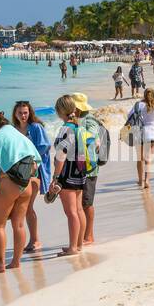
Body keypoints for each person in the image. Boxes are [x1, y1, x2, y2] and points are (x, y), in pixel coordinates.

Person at [0, 112, 40, 273]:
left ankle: (0, 264)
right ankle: (16, 262)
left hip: (8, 184)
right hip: (26, 184)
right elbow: (35, 166)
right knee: (19, 224)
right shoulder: (21, 136)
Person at [48, 95, 89, 256]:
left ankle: (73, 247)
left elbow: (61, 155)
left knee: (71, 212)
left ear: (60, 111)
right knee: (78, 210)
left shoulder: (65, 128)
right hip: (80, 171)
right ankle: (78, 245)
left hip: (68, 173)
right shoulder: (79, 127)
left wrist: (55, 177)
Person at [12, 100, 51, 254]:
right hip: (18, 172)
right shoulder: (13, 130)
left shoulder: (36, 127)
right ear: (15, 114)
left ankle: (35, 240)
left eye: (26, 112)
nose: (23, 115)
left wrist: (33, 161)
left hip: (34, 171)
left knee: (27, 206)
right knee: (21, 207)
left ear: (30, 113)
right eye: (20, 113)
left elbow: (45, 146)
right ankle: (27, 240)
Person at [71, 93, 110, 245]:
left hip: (89, 168)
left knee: (87, 203)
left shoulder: (89, 121)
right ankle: (84, 235)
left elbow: (92, 140)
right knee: (82, 203)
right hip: (82, 167)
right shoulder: (80, 120)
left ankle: (89, 236)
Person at [129, 88, 154, 189]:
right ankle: (147, 181)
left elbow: (129, 116)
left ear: (144, 95)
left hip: (139, 132)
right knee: (148, 159)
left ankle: (141, 181)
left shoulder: (138, 105)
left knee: (140, 159)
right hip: (151, 134)